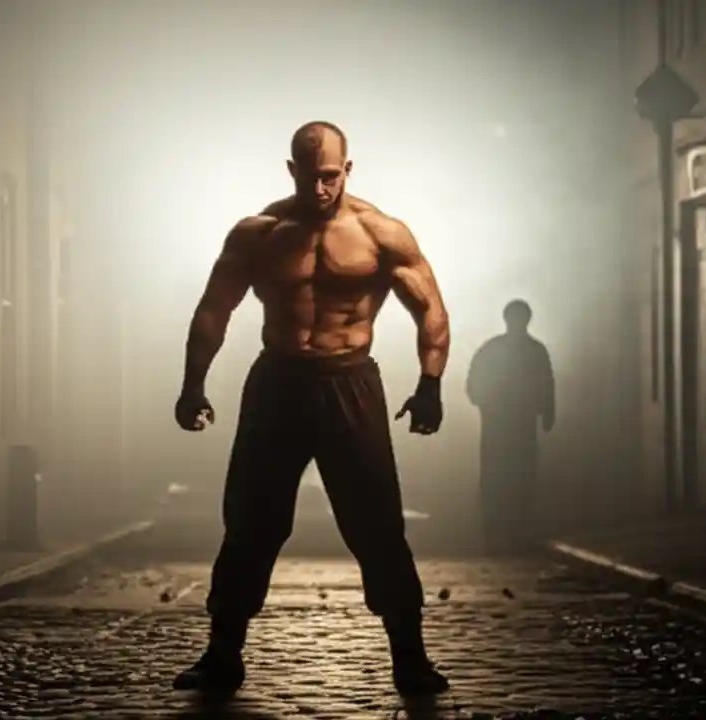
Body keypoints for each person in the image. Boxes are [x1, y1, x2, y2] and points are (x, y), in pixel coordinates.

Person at [171, 121, 451, 697]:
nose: (320, 188)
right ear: (291, 170)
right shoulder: (259, 234)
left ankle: (411, 658)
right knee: (250, 522)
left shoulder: (381, 233)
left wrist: (430, 384)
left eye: (330, 176)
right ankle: (223, 654)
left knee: (377, 525)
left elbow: (431, 308)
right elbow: (213, 310)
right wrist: (192, 384)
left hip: (350, 382)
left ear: (348, 170)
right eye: (309, 175)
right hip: (277, 383)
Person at [466, 300, 555, 553]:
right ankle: (501, 532)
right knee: (507, 476)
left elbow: (546, 383)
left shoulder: (493, 349)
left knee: (510, 476)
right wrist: (547, 412)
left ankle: (507, 532)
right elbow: (546, 383)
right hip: (511, 424)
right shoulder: (534, 350)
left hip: (504, 425)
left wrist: (547, 411)